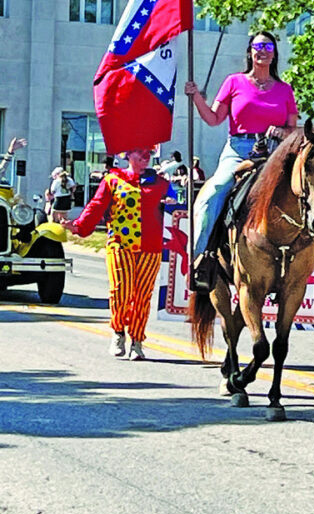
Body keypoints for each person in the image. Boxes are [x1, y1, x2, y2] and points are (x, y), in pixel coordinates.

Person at [184, 31, 298, 290]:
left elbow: (294, 128)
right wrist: (196, 98)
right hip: (239, 150)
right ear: (249, 52)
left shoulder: (284, 89)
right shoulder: (234, 82)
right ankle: (201, 259)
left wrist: (283, 132)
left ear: (274, 53)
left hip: (274, 153)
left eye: (268, 46)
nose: (263, 50)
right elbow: (214, 119)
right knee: (214, 192)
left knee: (308, 189)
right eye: (258, 46)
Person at [61, 147, 172, 360]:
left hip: (151, 247)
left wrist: (172, 203)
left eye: (148, 152)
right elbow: (96, 206)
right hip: (120, 244)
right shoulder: (113, 179)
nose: (145, 156)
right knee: (121, 291)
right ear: (127, 155)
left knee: (142, 296)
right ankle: (119, 332)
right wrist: (78, 226)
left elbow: (178, 206)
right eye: (140, 152)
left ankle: (137, 341)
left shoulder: (161, 183)